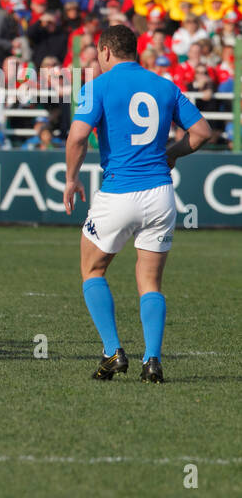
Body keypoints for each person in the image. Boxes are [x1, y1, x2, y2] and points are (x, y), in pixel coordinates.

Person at [64, 25, 213, 383]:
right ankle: (152, 362)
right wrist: (171, 155)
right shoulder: (164, 85)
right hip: (160, 194)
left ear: (105, 53)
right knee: (150, 281)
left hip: (119, 191)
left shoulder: (96, 86)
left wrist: (71, 178)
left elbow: (78, 136)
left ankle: (113, 351)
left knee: (93, 269)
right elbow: (203, 132)